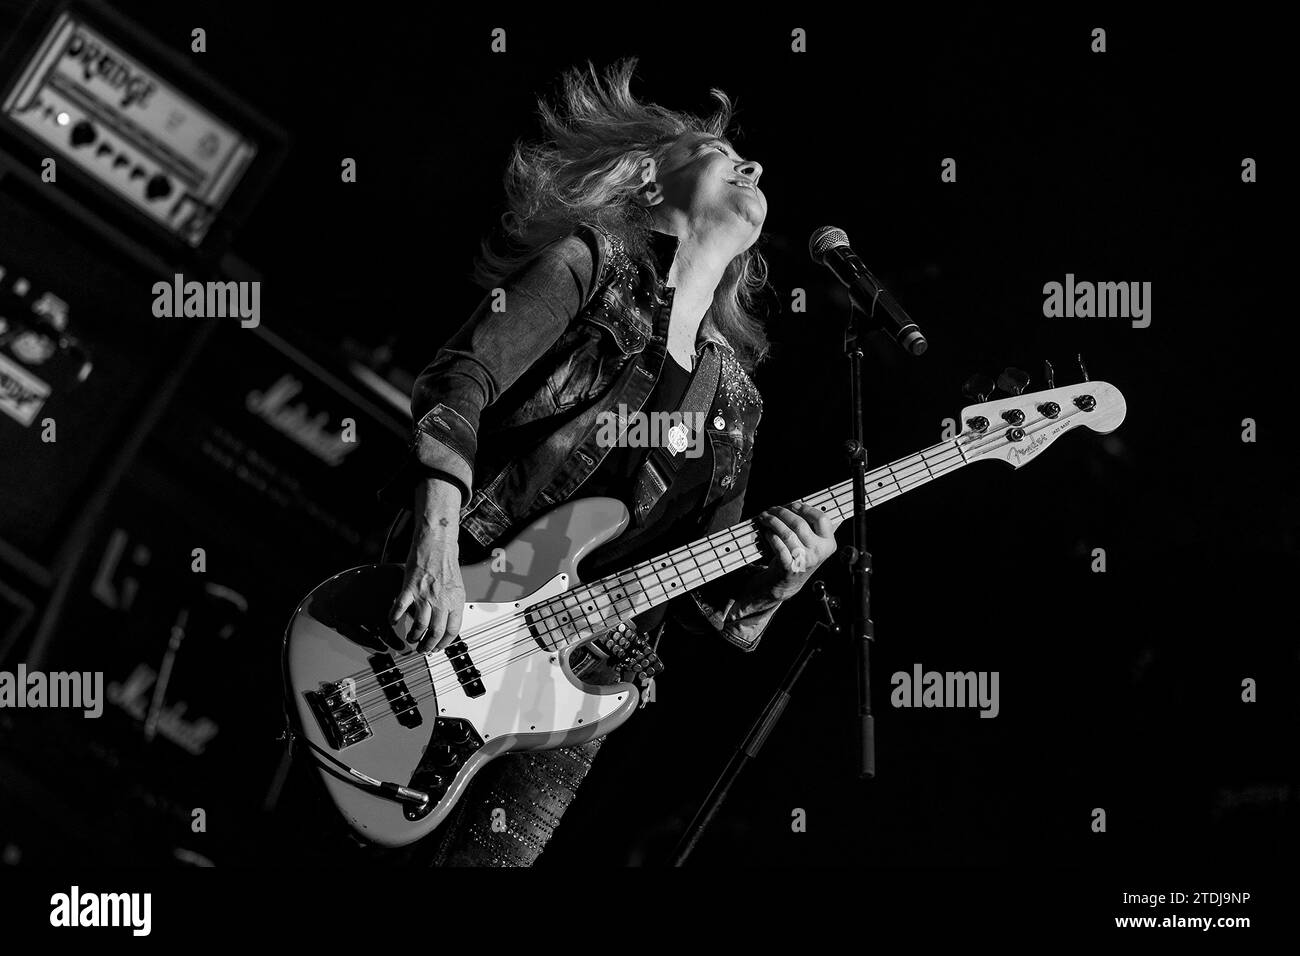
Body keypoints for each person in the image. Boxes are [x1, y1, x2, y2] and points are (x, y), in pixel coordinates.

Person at [378, 58, 839, 866]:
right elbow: (460, 384)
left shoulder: (736, 402)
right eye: (713, 148)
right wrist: (435, 550)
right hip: (455, 614)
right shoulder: (593, 264)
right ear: (646, 177)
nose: (752, 164)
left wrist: (780, 581)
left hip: (578, 690)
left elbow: (708, 599)